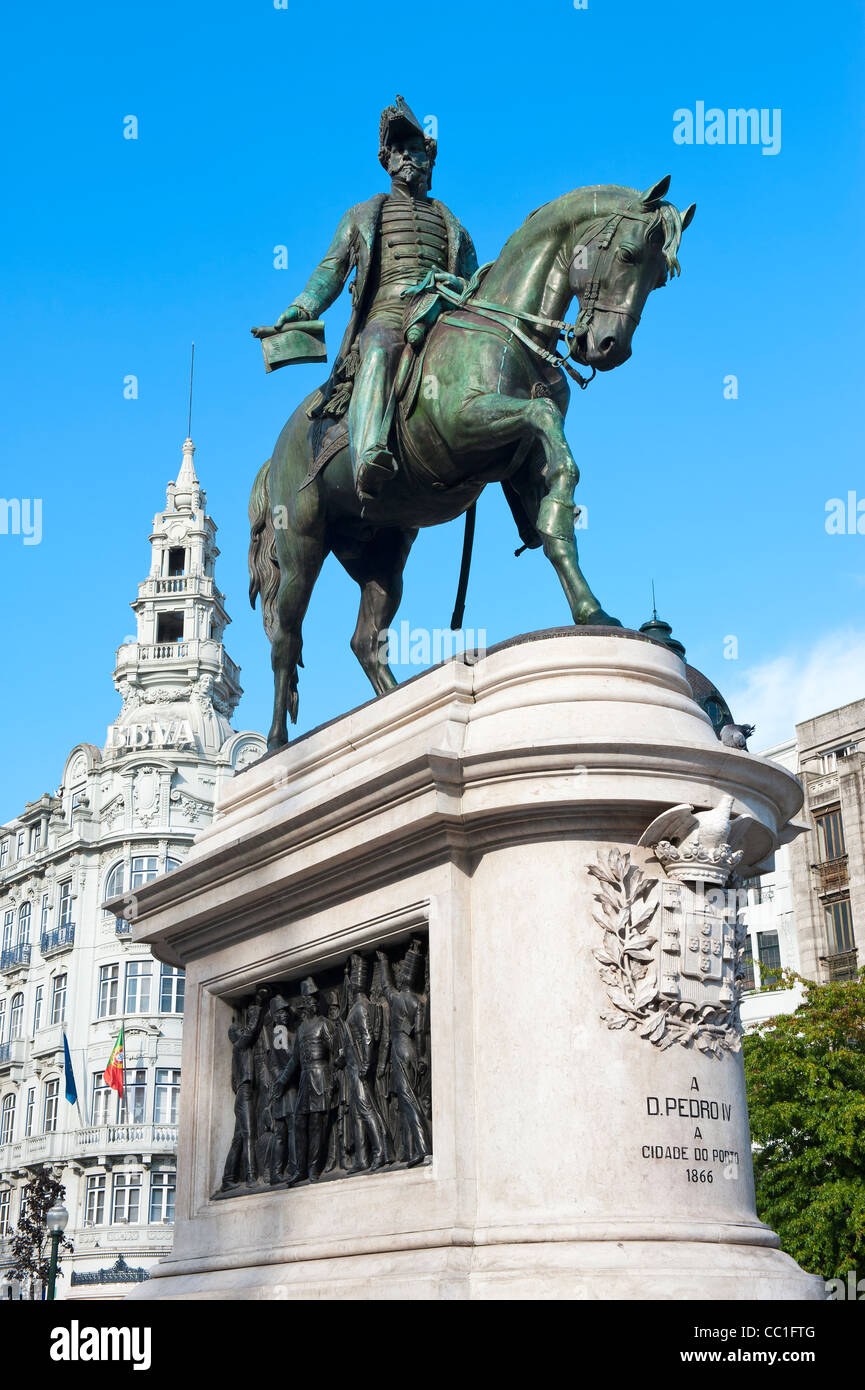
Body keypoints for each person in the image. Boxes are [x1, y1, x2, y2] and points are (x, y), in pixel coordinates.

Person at [251, 95, 476, 502]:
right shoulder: (362, 215)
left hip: (443, 310)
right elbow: (331, 270)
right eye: (399, 151)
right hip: (388, 314)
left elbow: (474, 283)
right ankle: (371, 453)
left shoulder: (452, 224)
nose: (407, 157)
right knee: (377, 348)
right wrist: (303, 306)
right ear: (386, 160)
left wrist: (456, 285)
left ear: (430, 161)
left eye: (415, 150)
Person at [376, 941, 430, 1166]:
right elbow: (419, 1032)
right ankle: (409, 1150)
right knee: (409, 1098)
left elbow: (386, 985)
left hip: (399, 1049)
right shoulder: (418, 1003)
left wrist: (384, 961)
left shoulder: (397, 998)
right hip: (412, 1050)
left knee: (407, 1100)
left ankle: (422, 1147)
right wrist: (422, 1057)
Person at [220, 988, 270, 1189]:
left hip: (246, 1094)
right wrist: (258, 1004)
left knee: (239, 1138)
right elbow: (249, 1032)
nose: (242, 1031)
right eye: (239, 1031)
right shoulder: (240, 1046)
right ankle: (250, 1176)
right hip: (245, 1094)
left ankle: (228, 1179)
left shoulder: (241, 1049)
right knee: (249, 1134)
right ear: (235, 1036)